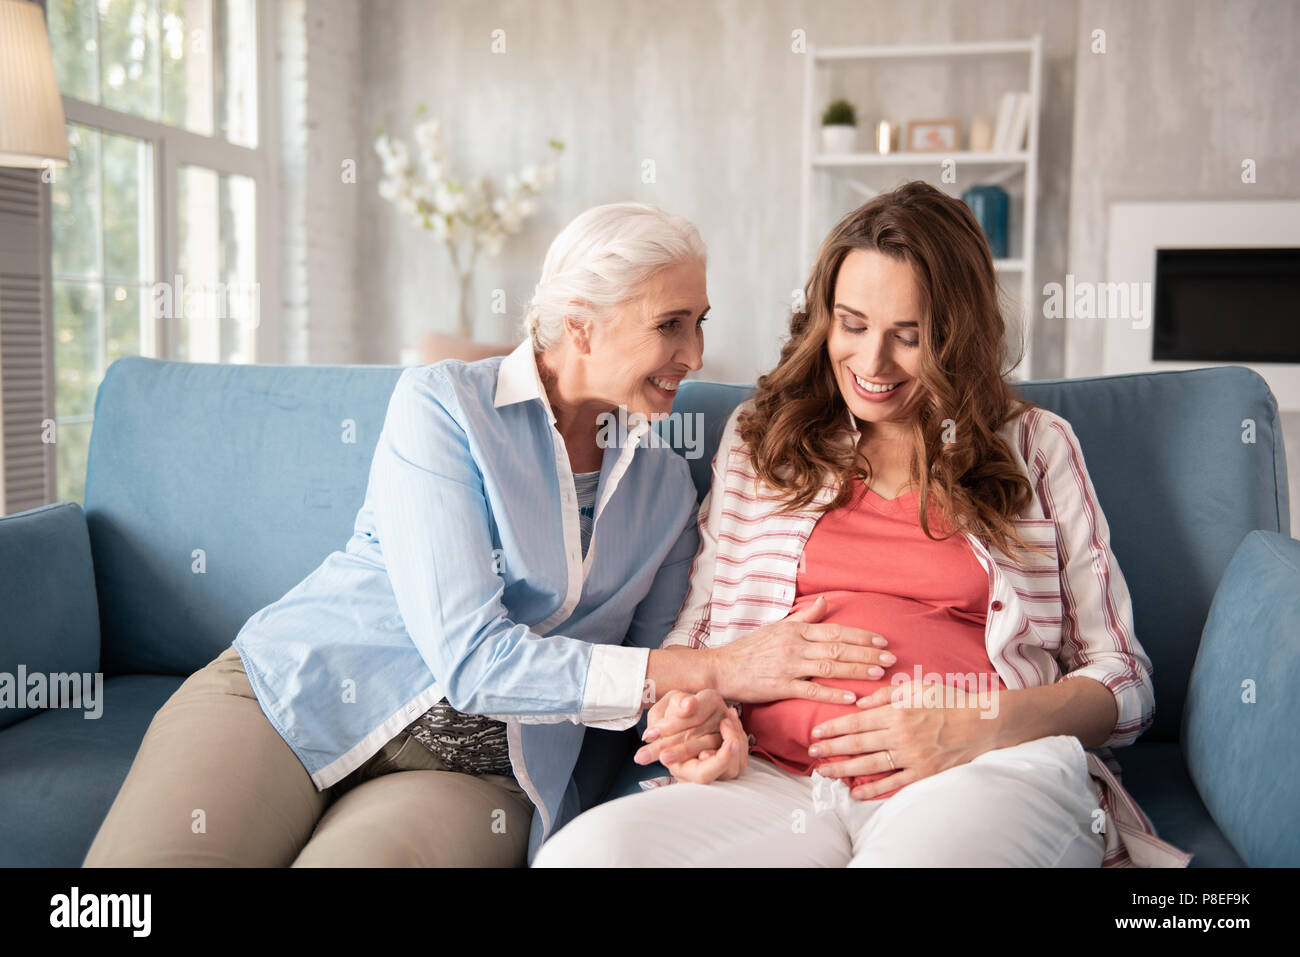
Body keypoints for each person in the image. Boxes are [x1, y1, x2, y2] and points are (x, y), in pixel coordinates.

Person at [82, 202, 888, 867]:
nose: (696, 354)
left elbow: (654, 685)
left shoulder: (667, 489)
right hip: (291, 695)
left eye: (700, 323)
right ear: (581, 326)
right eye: (670, 324)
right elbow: (472, 657)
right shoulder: (443, 409)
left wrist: (699, 724)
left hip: (480, 769)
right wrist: (719, 667)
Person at [532, 181, 1192, 868]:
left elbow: (1125, 681)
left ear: (956, 334)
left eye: (909, 337)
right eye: (852, 324)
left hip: (978, 776)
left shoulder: (1035, 447)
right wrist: (698, 720)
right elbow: (698, 643)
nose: (872, 364)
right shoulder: (762, 442)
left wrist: (976, 726)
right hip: (773, 781)